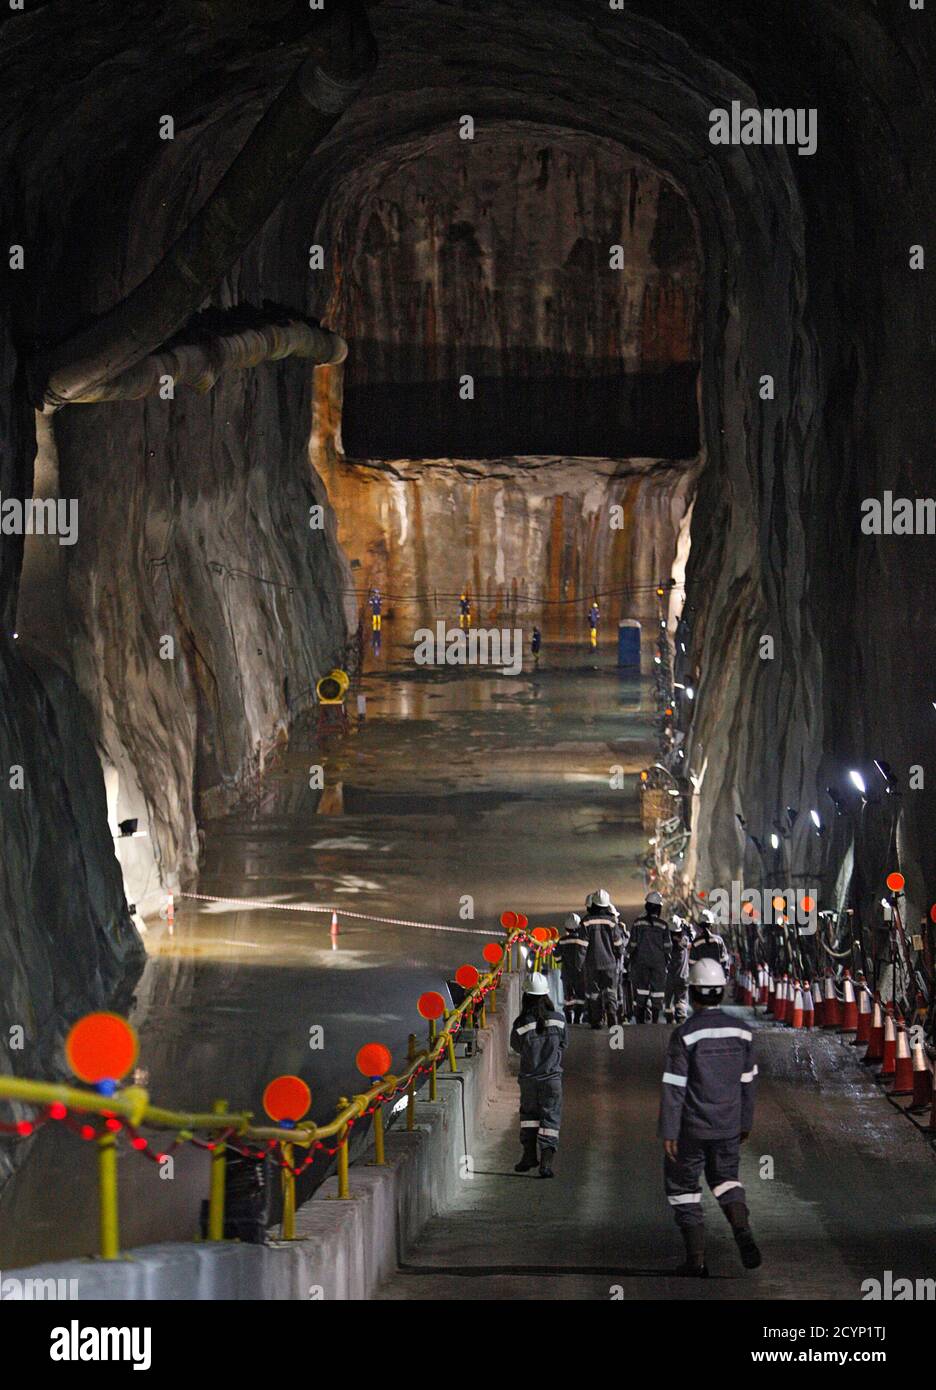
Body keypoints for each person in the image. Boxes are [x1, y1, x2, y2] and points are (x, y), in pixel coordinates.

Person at [659, 959, 761, 1276]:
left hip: (691, 1128)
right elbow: (748, 1082)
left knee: (683, 1188)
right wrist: (745, 1124)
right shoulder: (743, 1033)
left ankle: (697, 1260)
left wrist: (669, 1130)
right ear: (721, 990)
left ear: (692, 993)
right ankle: (741, 1230)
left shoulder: (685, 1035)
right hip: (729, 1126)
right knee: (727, 1180)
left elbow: (675, 1087)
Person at [510, 972, 566, 1178]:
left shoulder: (521, 1024)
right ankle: (546, 1164)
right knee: (550, 1120)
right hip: (552, 1080)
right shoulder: (559, 1020)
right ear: (546, 996)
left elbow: (516, 1046)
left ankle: (528, 1156)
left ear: (526, 996)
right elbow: (563, 1044)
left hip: (529, 1080)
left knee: (529, 1118)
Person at [581, 889, 626, 1028]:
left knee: (594, 993)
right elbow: (618, 943)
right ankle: (611, 1013)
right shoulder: (612, 922)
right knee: (610, 990)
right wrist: (618, 954)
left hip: (592, 963)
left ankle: (596, 1021)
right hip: (609, 963)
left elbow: (582, 945)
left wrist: (580, 963)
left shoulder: (586, 922)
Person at [629, 891, 672, 1023]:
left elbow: (632, 944)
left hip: (641, 962)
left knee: (641, 990)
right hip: (658, 963)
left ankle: (640, 1018)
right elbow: (668, 947)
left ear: (646, 906)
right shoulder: (663, 925)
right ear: (659, 908)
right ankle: (654, 1019)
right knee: (657, 991)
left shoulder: (638, 923)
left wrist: (629, 956)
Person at [556, 912, 588, 1024]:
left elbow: (557, 958)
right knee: (580, 997)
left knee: (568, 997)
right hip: (581, 973)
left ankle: (568, 1020)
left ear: (566, 927)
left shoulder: (562, 941)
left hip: (567, 974)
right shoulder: (583, 941)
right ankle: (577, 1019)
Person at [664, 915, 693, 1024]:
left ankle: (669, 1019)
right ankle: (680, 1018)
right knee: (681, 1001)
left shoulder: (666, 942)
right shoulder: (684, 941)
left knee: (667, 1002)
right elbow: (692, 936)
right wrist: (687, 926)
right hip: (683, 977)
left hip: (668, 978)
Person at [690, 910, 731, 976]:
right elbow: (724, 962)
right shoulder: (718, 941)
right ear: (711, 924)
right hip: (717, 979)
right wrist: (725, 978)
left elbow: (692, 964)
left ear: (699, 926)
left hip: (701, 981)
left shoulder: (695, 943)